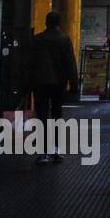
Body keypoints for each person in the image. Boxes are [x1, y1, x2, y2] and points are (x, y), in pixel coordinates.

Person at [29, 12, 78, 164]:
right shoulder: (64, 40)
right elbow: (70, 63)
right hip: (58, 83)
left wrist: (27, 84)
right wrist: (74, 85)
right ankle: (56, 149)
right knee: (57, 115)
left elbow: (29, 63)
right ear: (58, 23)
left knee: (41, 116)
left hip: (40, 83)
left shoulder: (37, 39)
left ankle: (43, 152)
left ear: (45, 22)